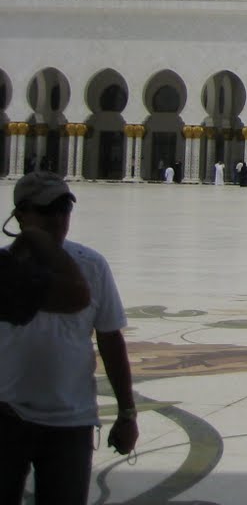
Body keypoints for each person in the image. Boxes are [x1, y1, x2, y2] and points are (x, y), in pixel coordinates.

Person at [0, 173, 138, 504]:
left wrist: (127, 413)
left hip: (70, 419)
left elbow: (110, 339)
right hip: (6, 416)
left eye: (64, 209)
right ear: (20, 214)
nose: (58, 219)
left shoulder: (91, 265)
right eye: (47, 210)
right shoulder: (5, 268)